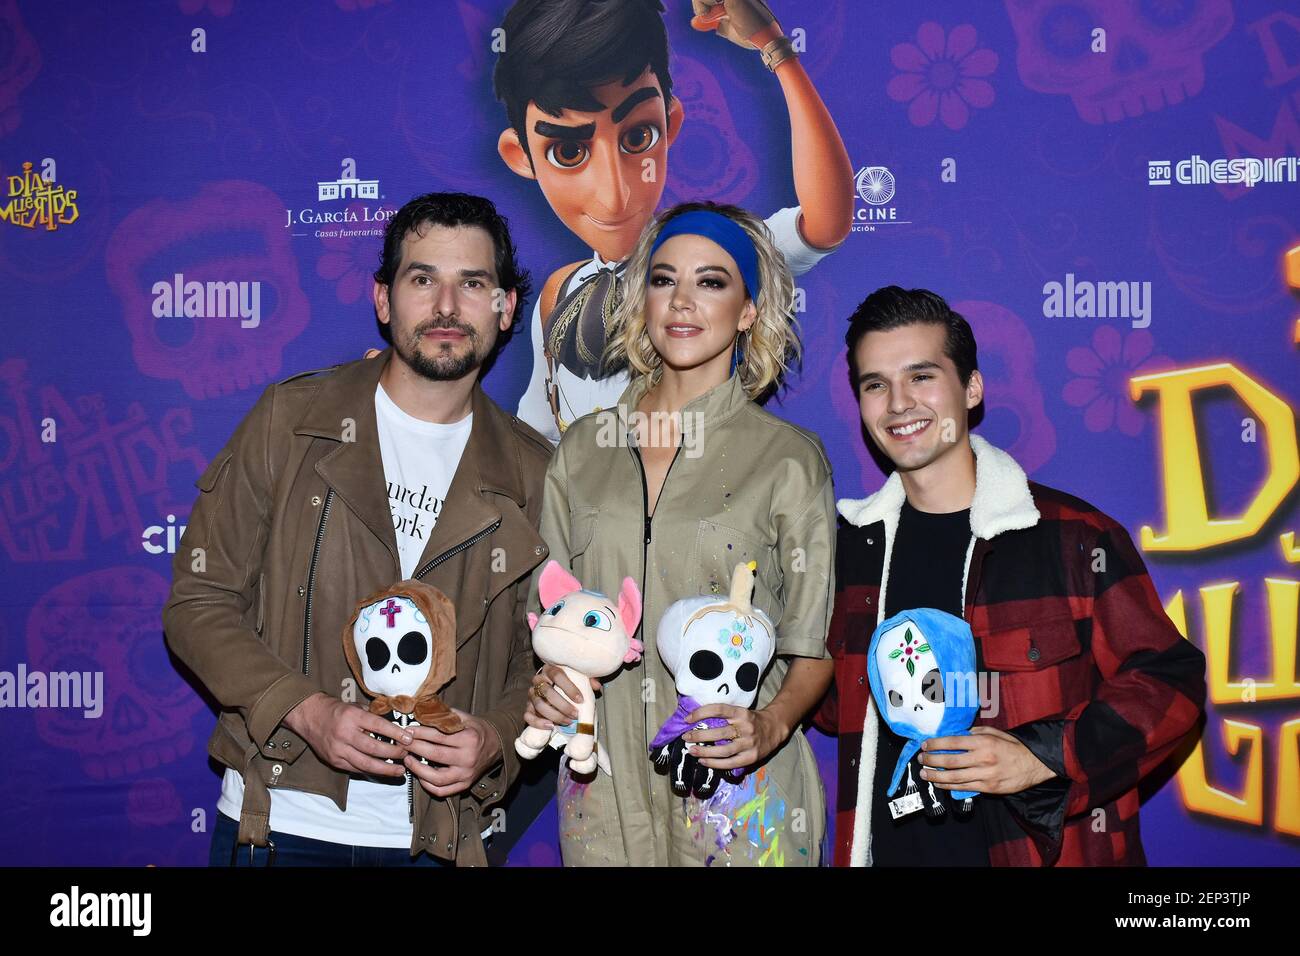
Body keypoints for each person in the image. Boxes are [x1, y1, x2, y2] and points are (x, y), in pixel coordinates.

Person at [163, 192, 553, 866]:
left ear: (506, 307)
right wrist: (305, 709)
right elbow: (198, 605)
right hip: (282, 825)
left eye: (474, 283)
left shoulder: (536, 472)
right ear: (383, 299)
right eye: (423, 278)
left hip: (445, 839)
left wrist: (494, 737)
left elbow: (544, 658)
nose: (447, 306)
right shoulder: (293, 421)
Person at [817, 286, 1207, 866]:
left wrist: (1045, 756)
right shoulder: (849, 550)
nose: (899, 404)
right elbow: (826, 702)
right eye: (876, 384)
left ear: (971, 388)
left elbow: (1171, 682)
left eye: (921, 376)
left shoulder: (1074, 538)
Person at [523, 201, 835, 866]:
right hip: (601, 792)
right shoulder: (583, 450)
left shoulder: (787, 459)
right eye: (664, 280)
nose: (683, 302)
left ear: (749, 309)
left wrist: (770, 725)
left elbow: (812, 647)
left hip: (740, 802)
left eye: (712, 281)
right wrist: (551, 681)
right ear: (641, 300)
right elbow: (548, 613)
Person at [492, 0, 853, 442]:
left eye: (638, 137)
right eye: (569, 152)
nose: (614, 194)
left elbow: (825, 222)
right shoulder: (558, 295)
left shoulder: (711, 249)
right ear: (520, 156)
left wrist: (775, 48)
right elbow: (537, 435)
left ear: (671, 123)